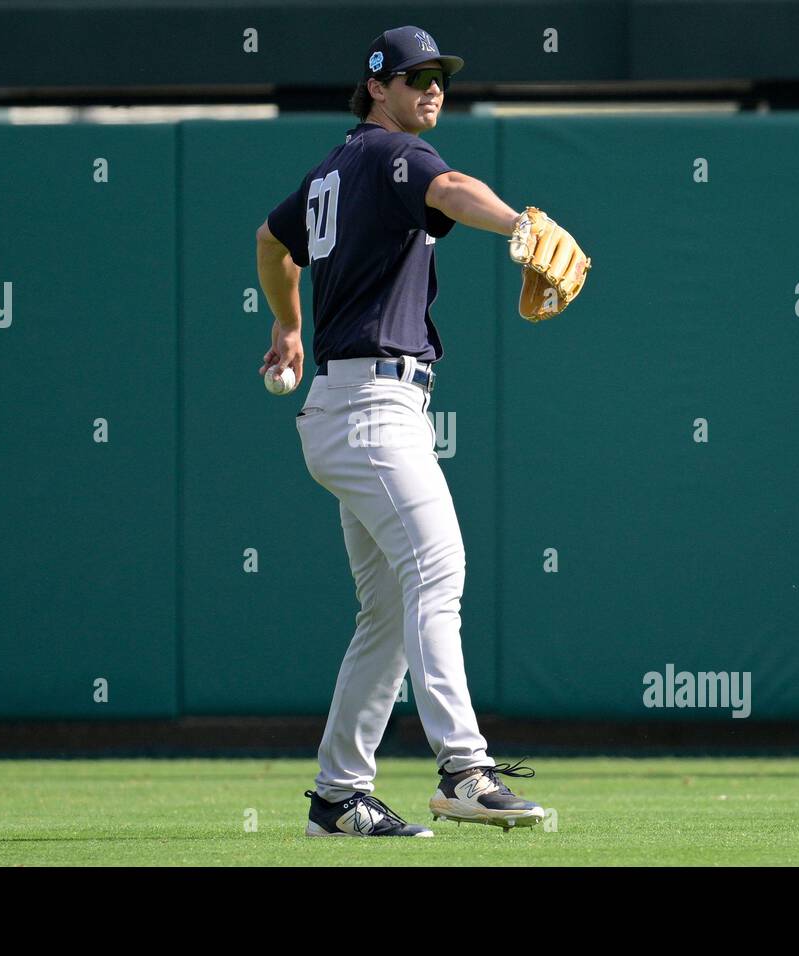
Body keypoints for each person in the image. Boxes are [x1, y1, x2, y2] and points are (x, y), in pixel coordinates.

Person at [255, 25, 545, 837]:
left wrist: (287, 328)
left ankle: (338, 796)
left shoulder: (330, 169)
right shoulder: (394, 155)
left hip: (354, 404)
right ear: (376, 85)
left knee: (387, 612)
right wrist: (519, 227)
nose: (432, 89)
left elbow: (273, 239)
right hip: (374, 409)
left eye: (440, 77)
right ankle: (464, 769)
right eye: (415, 76)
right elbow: (452, 189)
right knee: (437, 566)